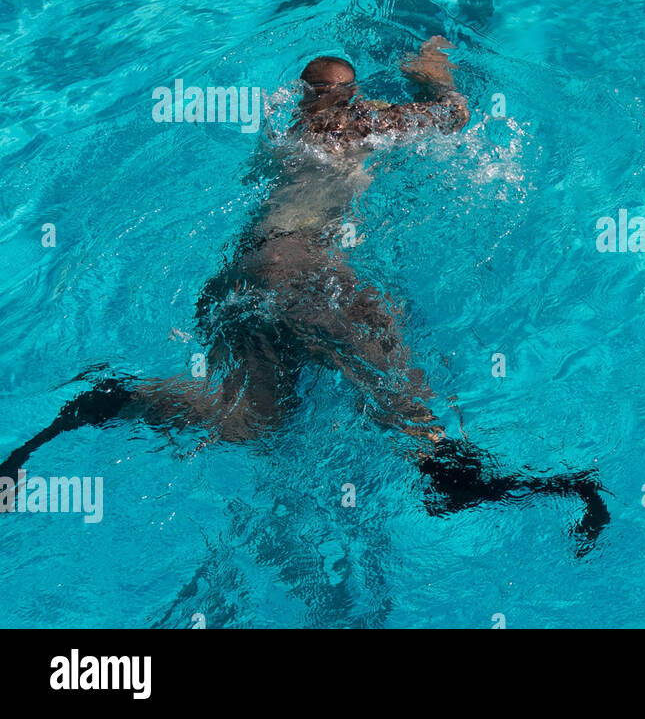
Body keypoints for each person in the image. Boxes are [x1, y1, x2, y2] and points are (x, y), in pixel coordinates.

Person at [1, 37, 610, 552]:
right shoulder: (363, 125)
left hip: (239, 274)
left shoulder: (285, 132)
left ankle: (109, 399)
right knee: (394, 375)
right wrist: (434, 77)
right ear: (353, 96)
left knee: (248, 422)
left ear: (300, 94)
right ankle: (457, 478)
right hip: (299, 269)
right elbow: (455, 119)